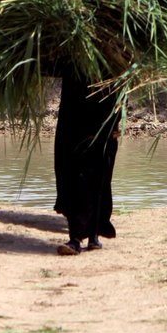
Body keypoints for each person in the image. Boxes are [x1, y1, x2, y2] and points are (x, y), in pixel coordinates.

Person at [53, 72, 121, 255]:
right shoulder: (75, 67)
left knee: (99, 181)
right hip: (74, 131)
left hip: (103, 130)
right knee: (74, 180)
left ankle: (93, 236)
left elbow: (120, 96)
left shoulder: (114, 63)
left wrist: (114, 126)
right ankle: (75, 238)